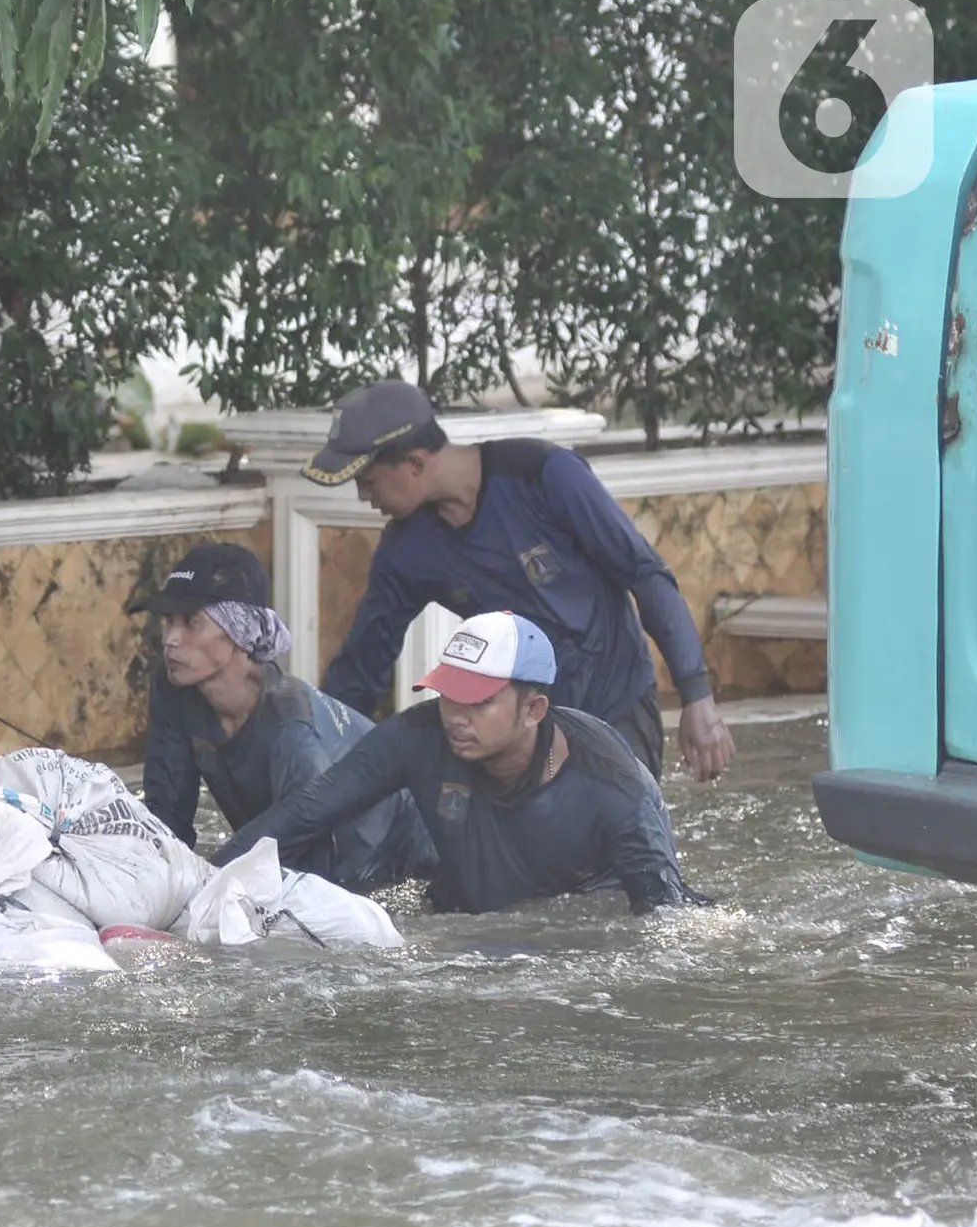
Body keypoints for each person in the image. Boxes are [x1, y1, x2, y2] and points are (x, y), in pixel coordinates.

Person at [303, 379, 736, 783]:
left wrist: (696, 697)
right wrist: (321, 756)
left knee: (613, 847)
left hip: (614, 705)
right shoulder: (406, 550)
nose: (364, 496)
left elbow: (645, 573)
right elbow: (362, 665)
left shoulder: (543, 475)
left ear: (414, 463)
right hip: (517, 732)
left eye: (368, 480)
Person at [215, 611, 704, 915]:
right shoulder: (421, 735)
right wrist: (204, 879)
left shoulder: (611, 783)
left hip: (572, 936)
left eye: (478, 702)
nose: (456, 718)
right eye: (449, 697)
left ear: (533, 710)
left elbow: (664, 915)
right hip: (465, 916)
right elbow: (307, 811)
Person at [135, 542, 434, 892]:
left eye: (191, 622)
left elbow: (307, 875)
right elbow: (165, 818)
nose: (170, 639)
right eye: (168, 621)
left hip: (400, 864)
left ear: (241, 631)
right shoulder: (174, 693)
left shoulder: (292, 729)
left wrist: (206, 886)